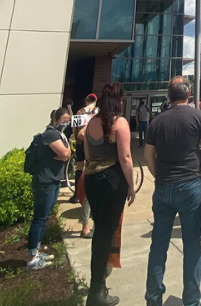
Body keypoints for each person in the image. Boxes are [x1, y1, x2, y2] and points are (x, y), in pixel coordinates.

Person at [143, 77, 201, 306]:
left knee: (158, 246)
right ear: (189, 94)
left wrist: (159, 177)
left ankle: (153, 299)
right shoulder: (198, 116)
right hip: (190, 185)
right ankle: (191, 301)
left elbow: (147, 157)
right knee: (192, 245)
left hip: (164, 187)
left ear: (169, 96)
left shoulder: (157, 121)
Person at [79, 84, 136, 306]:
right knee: (106, 232)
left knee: (100, 230)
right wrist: (131, 186)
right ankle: (96, 292)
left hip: (92, 178)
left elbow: (86, 153)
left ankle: (99, 283)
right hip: (112, 179)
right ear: (118, 101)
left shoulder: (91, 122)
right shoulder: (119, 123)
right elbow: (126, 157)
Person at [27, 107, 72, 271]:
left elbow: (67, 153)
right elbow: (66, 155)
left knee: (45, 216)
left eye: (68, 121)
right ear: (54, 120)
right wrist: (64, 154)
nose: (65, 123)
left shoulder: (60, 135)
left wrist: (65, 153)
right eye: (63, 120)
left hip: (54, 180)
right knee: (39, 218)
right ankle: (32, 258)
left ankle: (37, 250)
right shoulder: (51, 134)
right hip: (44, 181)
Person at [68, 94, 99, 203]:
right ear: (96, 100)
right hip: (94, 143)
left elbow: (74, 129)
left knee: (79, 167)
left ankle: (77, 194)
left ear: (86, 100)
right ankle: (90, 193)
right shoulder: (98, 111)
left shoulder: (79, 112)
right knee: (93, 166)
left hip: (80, 143)